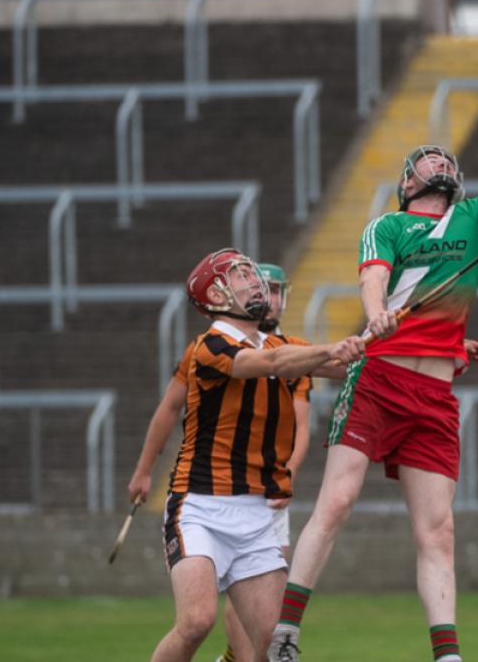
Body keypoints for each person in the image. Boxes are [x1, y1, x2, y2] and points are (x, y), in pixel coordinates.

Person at [267, 46, 478, 662]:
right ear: (406, 183)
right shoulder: (390, 227)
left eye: (442, 156)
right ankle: (285, 633)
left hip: (434, 396)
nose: (436, 159)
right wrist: (377, 315)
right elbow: (373, 277)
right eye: (423, 160)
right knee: (338, 501)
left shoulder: (476, 219)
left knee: (438, 530)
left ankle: (447, 656)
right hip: (378, 379)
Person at [138, 248, 364, 662]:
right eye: (241, 276)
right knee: (196, 621)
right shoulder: (211, 346)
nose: (255, 280)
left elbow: (350, 366)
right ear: (217, 295)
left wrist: (435, 352)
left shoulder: (281, 343)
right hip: (200, 506)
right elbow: (273, 361)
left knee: (273, 649)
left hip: (257, 515)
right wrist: (336, 348)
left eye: (251, 273)